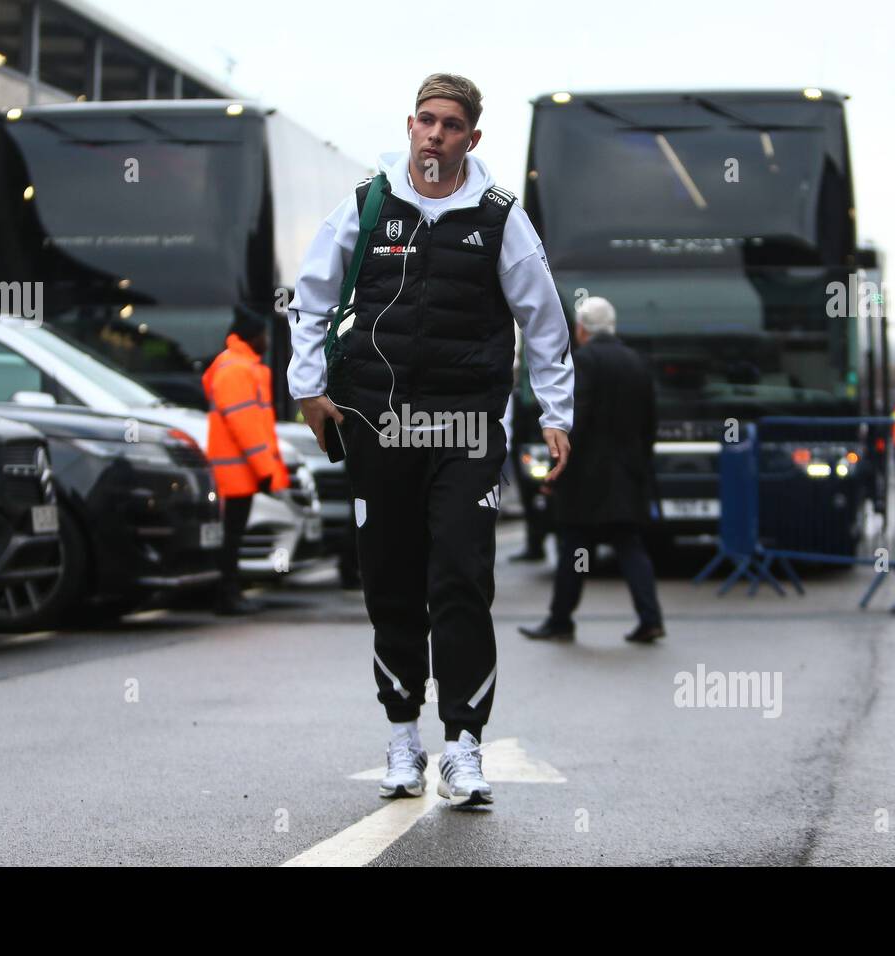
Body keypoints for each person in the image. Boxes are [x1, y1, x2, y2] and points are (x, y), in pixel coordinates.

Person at [286, 74, 573, 808]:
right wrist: (308, 388)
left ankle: (465, 744)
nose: (435, 135)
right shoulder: (368, 203)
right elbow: (311, 296)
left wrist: (555, 413)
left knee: (460, 576)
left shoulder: (501, 217)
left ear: (471, 138)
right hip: (378, 423)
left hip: (467, 425)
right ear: (410, 126)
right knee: (389, 578)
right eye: (426, 121)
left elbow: (544, 321)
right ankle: (402, 735)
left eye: (451, 125)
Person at [519, 296, 666, 643]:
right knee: (630, 546)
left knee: (573, 548)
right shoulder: (637, 362)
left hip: (586, 477)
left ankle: (560, 620)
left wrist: (558, 470)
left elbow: (575, 420)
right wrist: (641, 467)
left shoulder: (582, 363)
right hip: (627, 475)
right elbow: (650, 423)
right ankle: (651, 618)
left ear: (581, 329)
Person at [203, 308, 290, 615]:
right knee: (232, 534)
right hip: (236, 472)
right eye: (263, 334)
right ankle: (227, 595)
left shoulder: (237, 365)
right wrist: (265, 470)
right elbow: (246, 427)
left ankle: (229, 592)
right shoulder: (237, 369)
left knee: (232, 534)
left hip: (236, 470)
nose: (267, 340)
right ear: (252, 337)